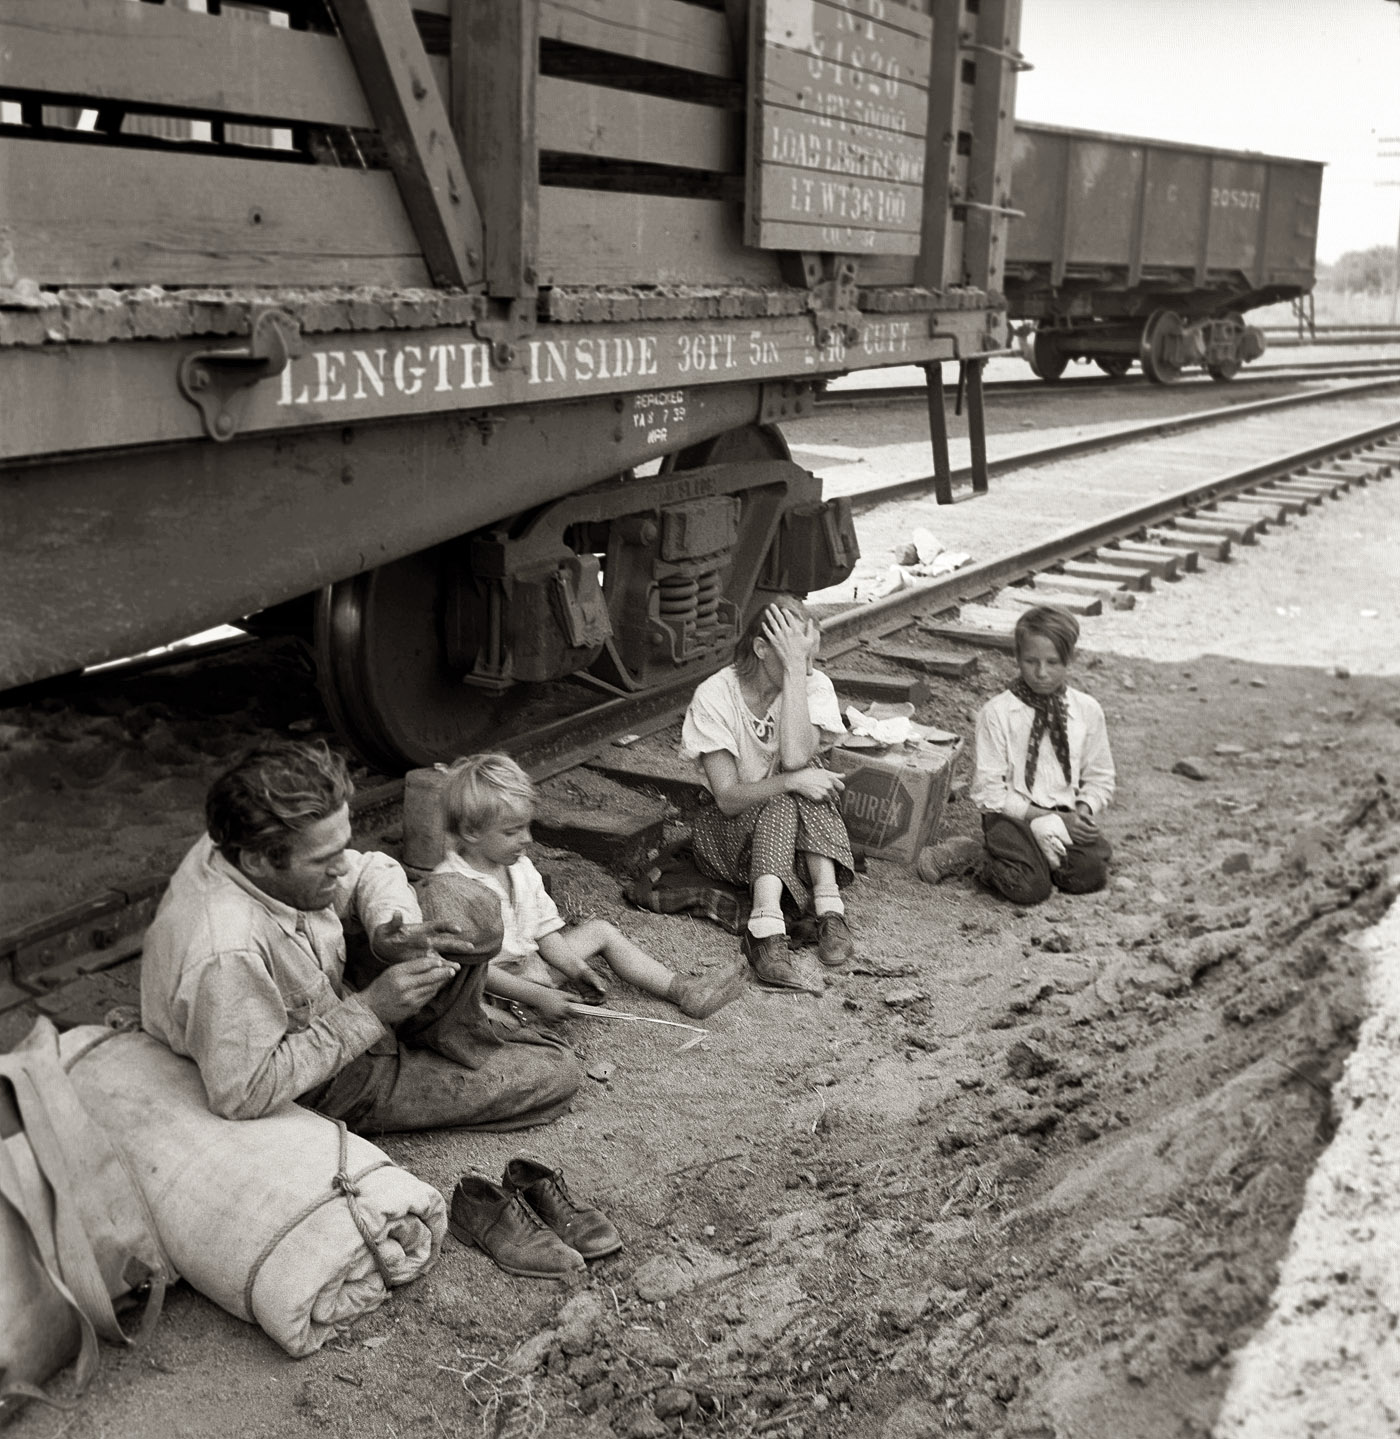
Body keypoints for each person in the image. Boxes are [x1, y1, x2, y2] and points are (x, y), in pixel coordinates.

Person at [141, 740, 582, 1133]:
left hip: (339, 999)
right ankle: (425, 1055)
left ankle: (440, 1036)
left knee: (464, 903)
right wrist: (371, 1010)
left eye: (340, 847)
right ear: (258, 862)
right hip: (323, 1079)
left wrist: (391, 928)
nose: (340, 867)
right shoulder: (226, 949)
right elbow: (245, 1092)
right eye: (324, 860)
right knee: (555, 1070)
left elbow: (370, 868)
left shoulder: (247, 846)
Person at [419, 754, 748, 1023]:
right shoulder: (451, 886)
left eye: (526, 828)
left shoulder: (519, 867)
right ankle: (517, 1017)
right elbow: (472, 970)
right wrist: (538, 994)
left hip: (528, 968)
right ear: (471, 832)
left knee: (601, 931)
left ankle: (682, 989)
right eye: (511, 832)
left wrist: (577, 969)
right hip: (483, 984)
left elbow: (545, 935)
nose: (527, 839)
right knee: (472, 1011)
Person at [680, 595, 857, 990]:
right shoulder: (714, 695)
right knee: (790, 789)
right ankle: (764, 932)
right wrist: (790, 782)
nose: (808, 670)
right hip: (729, 839)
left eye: (810, 659)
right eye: (796, 658)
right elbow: (726, 798)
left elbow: (794, 756)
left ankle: (827, 910)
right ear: (761, 649)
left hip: (794, 850)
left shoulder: (812, 684)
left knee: (809, 776)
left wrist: (795, 673)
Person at [971, 605, 1115, 905]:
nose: (1041, 673)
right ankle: (976, 858)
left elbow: (1100, 777)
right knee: (1029, 889)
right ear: (1017, 658)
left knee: (1090, 875)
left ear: (1069, 659)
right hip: (1011, 817)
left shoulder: (1087, 710)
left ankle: (1037, 857)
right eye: (1031, 661)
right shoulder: (997, 712)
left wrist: (1082, 813)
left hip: (1064, 814)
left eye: (1053, 662)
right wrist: (1046, 818)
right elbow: (988, 792)